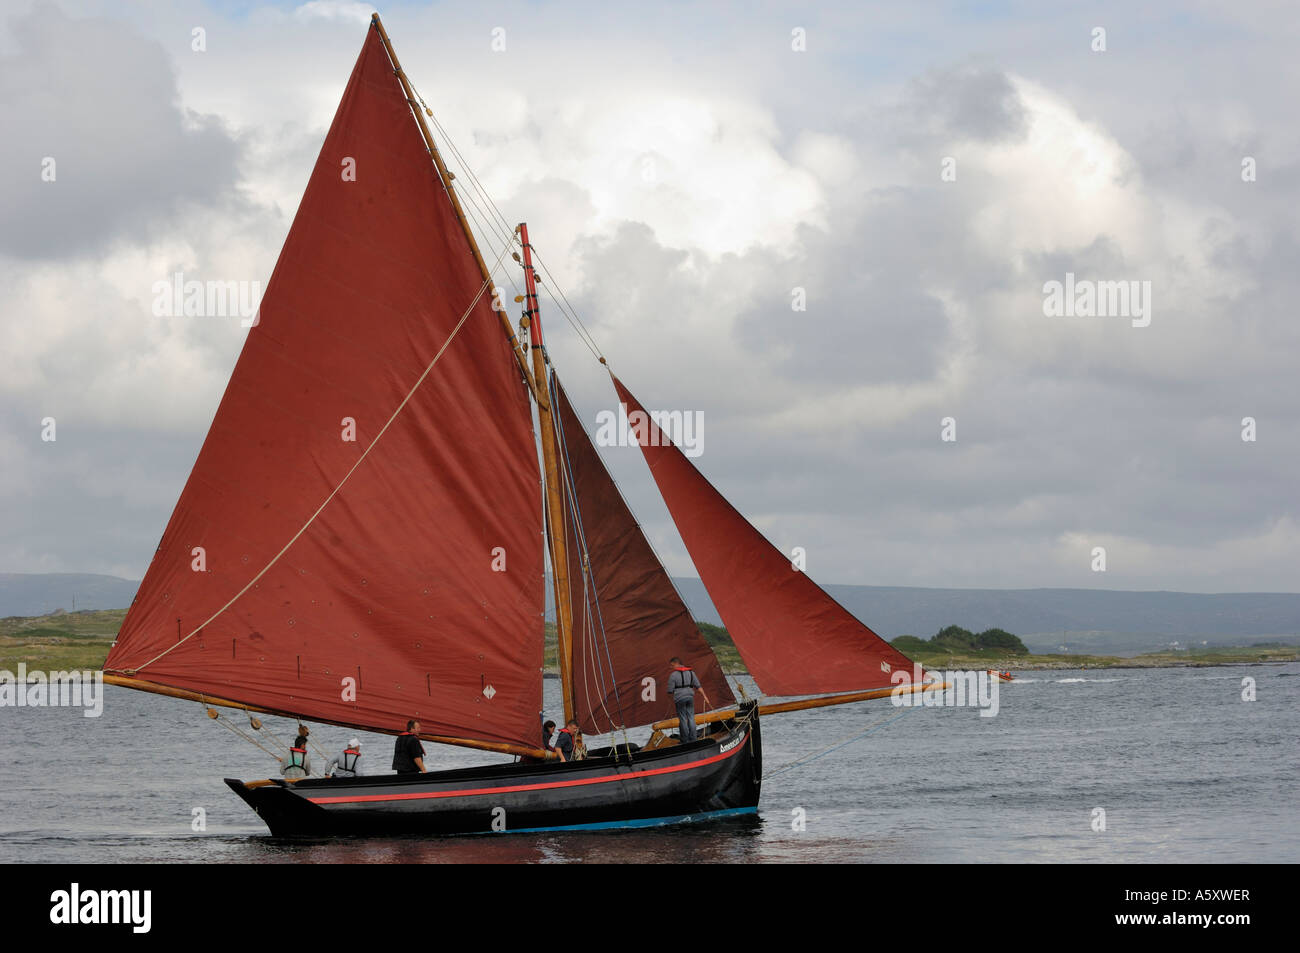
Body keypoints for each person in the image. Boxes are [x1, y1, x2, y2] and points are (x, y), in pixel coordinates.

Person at [667, 656, 707, 743]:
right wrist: (705, 696)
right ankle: (693, 738)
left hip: (679, 699)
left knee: (683, 719)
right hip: (690, 697)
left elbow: (670, 690)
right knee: (691, 717)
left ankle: (684, 740)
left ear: (676, 663)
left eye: (672, 665)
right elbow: (698, 686)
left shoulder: (673, 675)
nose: (671, 667)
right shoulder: (691, 673)